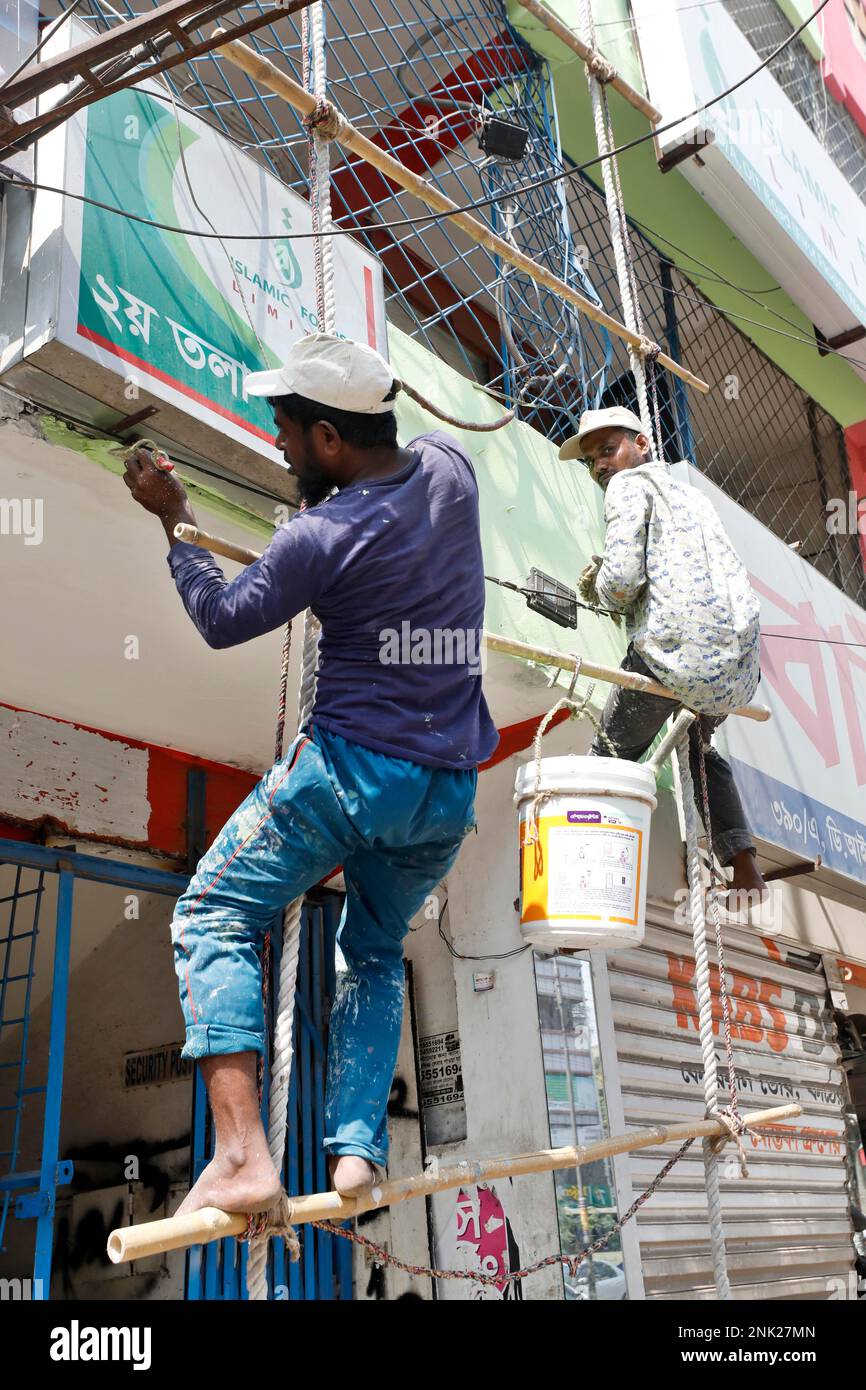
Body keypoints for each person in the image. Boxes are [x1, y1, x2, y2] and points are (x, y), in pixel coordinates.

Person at [122, 333, 498, 1212]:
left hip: (353, 776)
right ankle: (356, 1156)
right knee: (369, 950)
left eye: (287, 431)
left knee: (213, 909)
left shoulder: (320, 535)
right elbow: (433, 433)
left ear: (330, 440)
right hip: (446, 791)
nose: (280, 448)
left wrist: (173, 518)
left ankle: (245, 1156)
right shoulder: (452, 471)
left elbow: (220, 618)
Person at [558, 406, 766, 902]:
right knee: (698, 747)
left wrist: (600, 588)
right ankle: (744, 863)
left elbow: (624, 581)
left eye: (608, 451)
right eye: (592, 461)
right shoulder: (691, 497)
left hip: (674, 657)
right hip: (733, 671)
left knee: (609, 759)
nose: (601, 468)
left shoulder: (629, 487)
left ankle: (591, 894)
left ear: (642, 446)